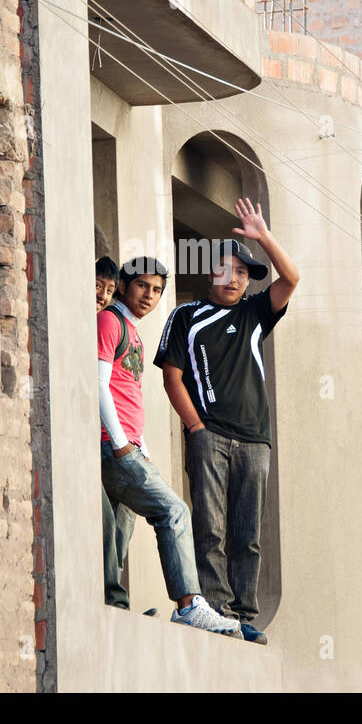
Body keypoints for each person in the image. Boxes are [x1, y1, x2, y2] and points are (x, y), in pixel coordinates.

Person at [154, 198, 299, 645]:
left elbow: (291, 278)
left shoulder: (255, 313)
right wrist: (196, 427)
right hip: (209, 437)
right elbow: (172, 377)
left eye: (242, 273)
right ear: (210, 271)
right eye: (228, 270)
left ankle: (242, 613)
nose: (235, 278)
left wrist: (263, 236)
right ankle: (214, 609)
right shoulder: (186, 316)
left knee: (247, 533)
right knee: (210, 527)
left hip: (256, 440)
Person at [98, 256, 242, 636]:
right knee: (174, 511)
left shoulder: (134, 332)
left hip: (128, 444)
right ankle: (189, 605)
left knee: (118, 529)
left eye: (157, 290)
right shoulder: (109, 321)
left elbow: (125, 393)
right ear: (125, 286)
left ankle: (111, 605)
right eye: (142, 285)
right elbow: (98, 386)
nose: (150, 295)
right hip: (112, 445)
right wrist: (120, 445)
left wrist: (140, 445)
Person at [94, 256, 134, 608]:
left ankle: (115, 591)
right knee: (104, 515)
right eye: (97, 286)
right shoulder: (96, 325)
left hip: (118, 438)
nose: (103, 295)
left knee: (125, 514)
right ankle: (111, 596)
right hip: (95, 442)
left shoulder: (109, 324)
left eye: (109, 289)